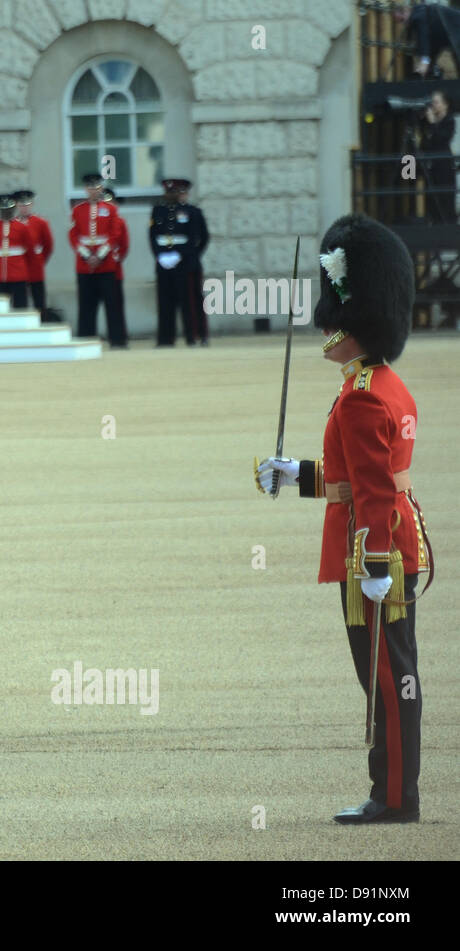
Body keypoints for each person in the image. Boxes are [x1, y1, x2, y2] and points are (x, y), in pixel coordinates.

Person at [256, 214, 428, 824]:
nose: (327, 328)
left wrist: (376, 563)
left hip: (372, 552)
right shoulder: (385, 383)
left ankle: (395, 797)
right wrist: (292, 473)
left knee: (386, 678)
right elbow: (352, 478)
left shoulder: (359, 395)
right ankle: (392, 791)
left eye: (336, 318)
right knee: (391, 674)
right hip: (391, 540)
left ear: (358, 323)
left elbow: (372, 492)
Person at [69, 173, 127, 347]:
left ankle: (117, 340)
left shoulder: (110, 210)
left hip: (106, 263)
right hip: (85, 265)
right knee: (86, 305)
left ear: (101, 188)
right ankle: (86, 340)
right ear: (86, 189)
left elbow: (115, 234)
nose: (93, 191)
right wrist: (86, 255)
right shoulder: (77, 210)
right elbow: (73, 235)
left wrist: (100, 255)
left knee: (112, 305)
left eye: (96, 187)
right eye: (90, 187)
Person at [150, 178, 209, 346]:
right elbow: (153, 236)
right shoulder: (158, 211)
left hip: (186, 264)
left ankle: (194, 336)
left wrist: (187, 255)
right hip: (163, 262)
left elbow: (199, 238)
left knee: (190, 302)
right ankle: (165, 338)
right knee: (165, 302)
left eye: (175, 192)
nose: (171, 195)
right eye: (169, 192)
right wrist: (159, 255)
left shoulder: (191, 212)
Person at [0, 194, 31, 309]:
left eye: (9, 210)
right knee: (1, 308)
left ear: (13, 209)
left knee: (20, 307)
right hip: (0, 275)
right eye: (3, 210)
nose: (6, 213)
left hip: (18, 275)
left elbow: (28, 250)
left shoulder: (22, 228)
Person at [418, 90, 457, 224]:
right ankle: (433, 223)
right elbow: (424, 143)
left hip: (444, 165)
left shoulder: (449, 120)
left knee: (445, 198)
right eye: (432, 102)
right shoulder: (427, 122)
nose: (433, 105)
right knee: (432, 199)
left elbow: (441, 139)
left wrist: (433, 123)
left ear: (445, 105)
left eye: (436, 102)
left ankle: (449, 227)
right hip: (431, 166)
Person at [15, 189, 54, 315]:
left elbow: (48, 245)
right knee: (20, 302)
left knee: (39, 301)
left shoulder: (40, 223)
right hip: (18, 267)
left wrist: (40, 260)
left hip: (35, 267)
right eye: (21, 205)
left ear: (31, 205)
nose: (24, 208)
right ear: (17, 206)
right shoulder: (13, 223)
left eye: (27, 205)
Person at [399, 2, 460, 79]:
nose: (403, 24)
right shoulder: (424, 13)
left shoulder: (418, 16)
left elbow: (423, 37)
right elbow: (432, 43)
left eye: (402, 20)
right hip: (451, 34)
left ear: (406, 11)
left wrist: (425, 62)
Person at [101, 187, 130, 349]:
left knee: (116, 306)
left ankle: (119, 338)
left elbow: (124, 245)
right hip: (99, 269)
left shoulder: (119, 222)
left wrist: (115, 258)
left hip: (114, 269)